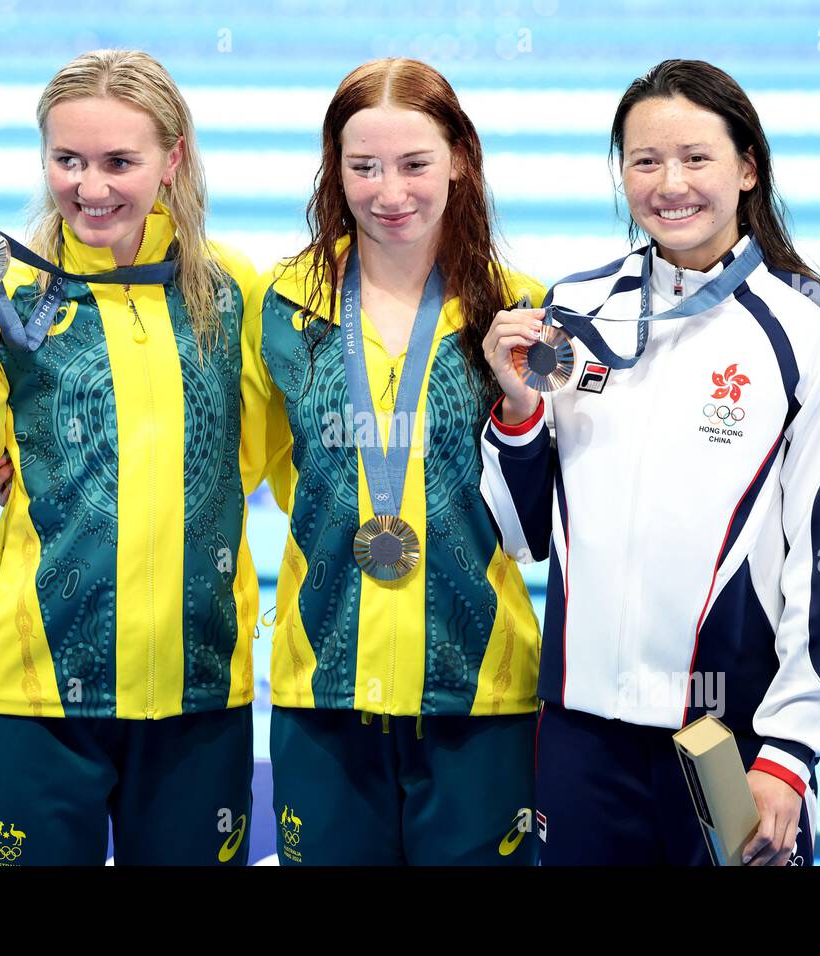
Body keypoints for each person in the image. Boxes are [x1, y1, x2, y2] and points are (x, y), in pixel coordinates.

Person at [479, 59, 820, 866]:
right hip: (581, 737)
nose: (671, 184)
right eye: (646, 161)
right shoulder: (574, 309)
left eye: (697, 158)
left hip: (733, 739)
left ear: (747, 168)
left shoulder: (816, 328)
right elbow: (525, 537)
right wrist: (518, 411)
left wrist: (789, 753)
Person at [0, 49, 259, 866]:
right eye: (68, 160)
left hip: (198, 694)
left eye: (118, 162)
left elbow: (273, 461)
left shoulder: (231, 291)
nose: (90, 187)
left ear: (172, 159)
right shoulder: (3, 299)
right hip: (35, 699)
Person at [239, 57, 545, 865]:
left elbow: (549, 514)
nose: (389, 192)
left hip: (479, 692)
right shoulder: (283, 304)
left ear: (460, 160)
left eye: (414, 164)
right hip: (324, 686)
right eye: (363, 166)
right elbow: (225, 469)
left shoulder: (519, 309)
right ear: (334, 170)